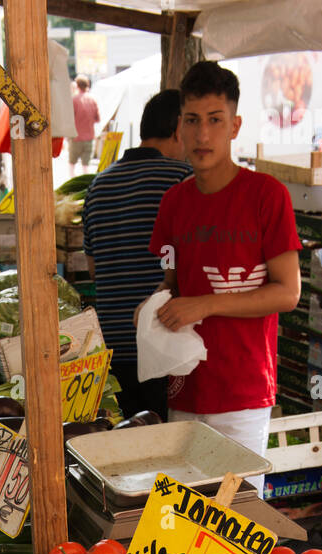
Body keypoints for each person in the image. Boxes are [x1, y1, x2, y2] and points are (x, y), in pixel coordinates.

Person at [145, 61, 301, 488]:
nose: (203, 134)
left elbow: (288, 293)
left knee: (239, 523)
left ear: (235, 126)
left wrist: (207, 303)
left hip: (243, 393)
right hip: (185, 388)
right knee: (183, 522)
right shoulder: (173, 203)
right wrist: (155, 305)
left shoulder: (267, 195)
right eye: (193, 121)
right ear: (179, 126)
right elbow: (171, 282)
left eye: (215, 120)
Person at [83, 89, 191, 419]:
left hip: (113, 347)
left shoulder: (98, 185)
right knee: (166, 446)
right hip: (163, 345)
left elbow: (93, 270)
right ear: (177, 130)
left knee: (128, 444)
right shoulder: (182, 180)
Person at [69, 75, 99, 176]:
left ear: (77, 86)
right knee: (86, 166)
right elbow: (97, 118)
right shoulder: (93, 99)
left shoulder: (74, 100)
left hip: (76, 137)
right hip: (89, 137)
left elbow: (70, 119)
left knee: (72, 164)